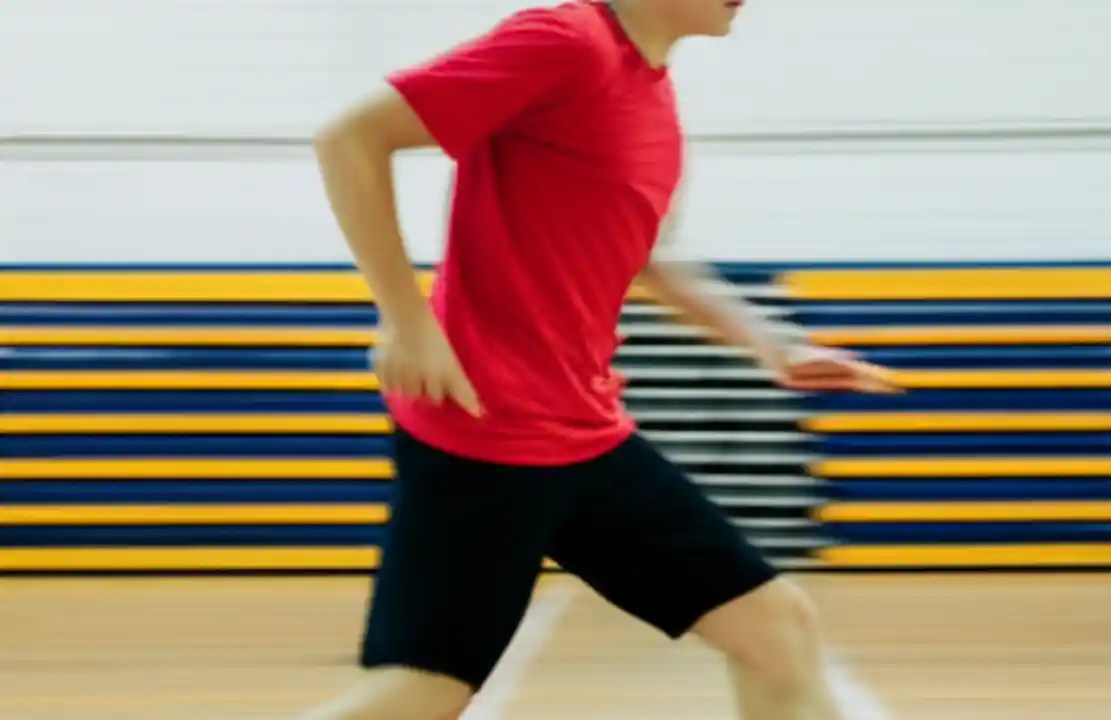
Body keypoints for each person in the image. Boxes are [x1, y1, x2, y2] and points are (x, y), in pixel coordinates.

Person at [305, 1, 898, 718]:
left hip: (583, 435)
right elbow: (350, 138)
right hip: (486, 431)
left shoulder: (651, 92)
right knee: (424, 689)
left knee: (777, 629)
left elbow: (653, 259)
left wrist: (775, 346)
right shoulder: (566, 42)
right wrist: (405, 320)